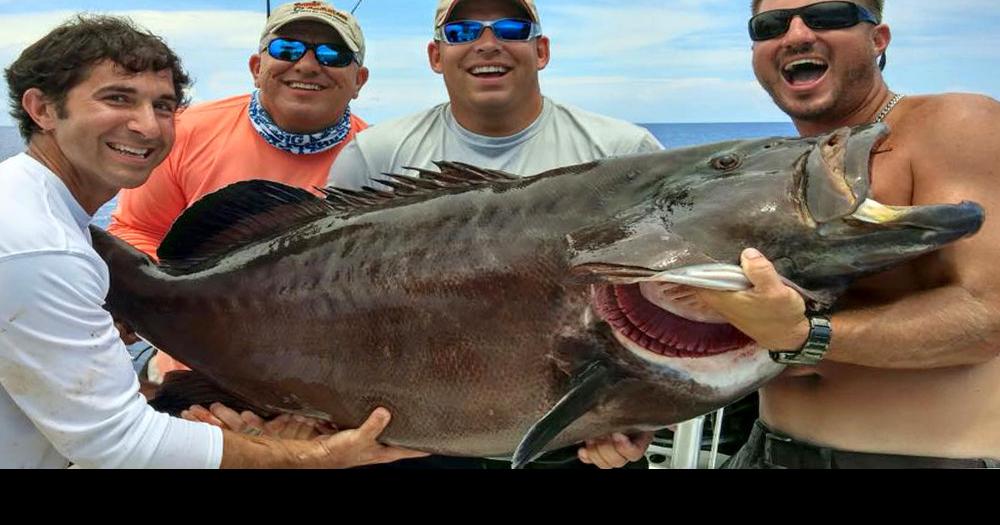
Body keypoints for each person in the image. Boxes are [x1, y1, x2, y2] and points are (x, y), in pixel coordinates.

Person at [0, 14, 426, 469]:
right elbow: (120, 444)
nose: (146, 126)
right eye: (117, 99)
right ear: (41, 109)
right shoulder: (43, 247)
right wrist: (318, 456)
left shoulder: (50, 221)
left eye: (164, 107)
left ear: (359, 79)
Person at [328, 0, 662, 469]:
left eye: (510, 28)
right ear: (435, 56)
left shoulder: (624, 153)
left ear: (541, 50)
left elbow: (659, 303)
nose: (488, 43)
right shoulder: (374, 156)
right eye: (462, 32)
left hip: (572, 444)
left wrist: (641, 412)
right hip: (409, 444)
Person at [704, 0, 1000, 468]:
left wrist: (807, 334)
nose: (796, 34)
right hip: (764, 450)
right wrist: (625, 417)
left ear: (878, 39)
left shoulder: (953, 123)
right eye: (770, 26)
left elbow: (989, 312)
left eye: (828, 16)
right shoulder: (771, 168)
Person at [108, 1, 370, 380]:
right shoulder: (184, 132)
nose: (308, 65)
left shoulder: (379, 156)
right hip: (191, 364)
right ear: (256, 68)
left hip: (323, 378)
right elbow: (138, 230)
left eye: (333, 54)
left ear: (359, 81)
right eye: (287, 50)